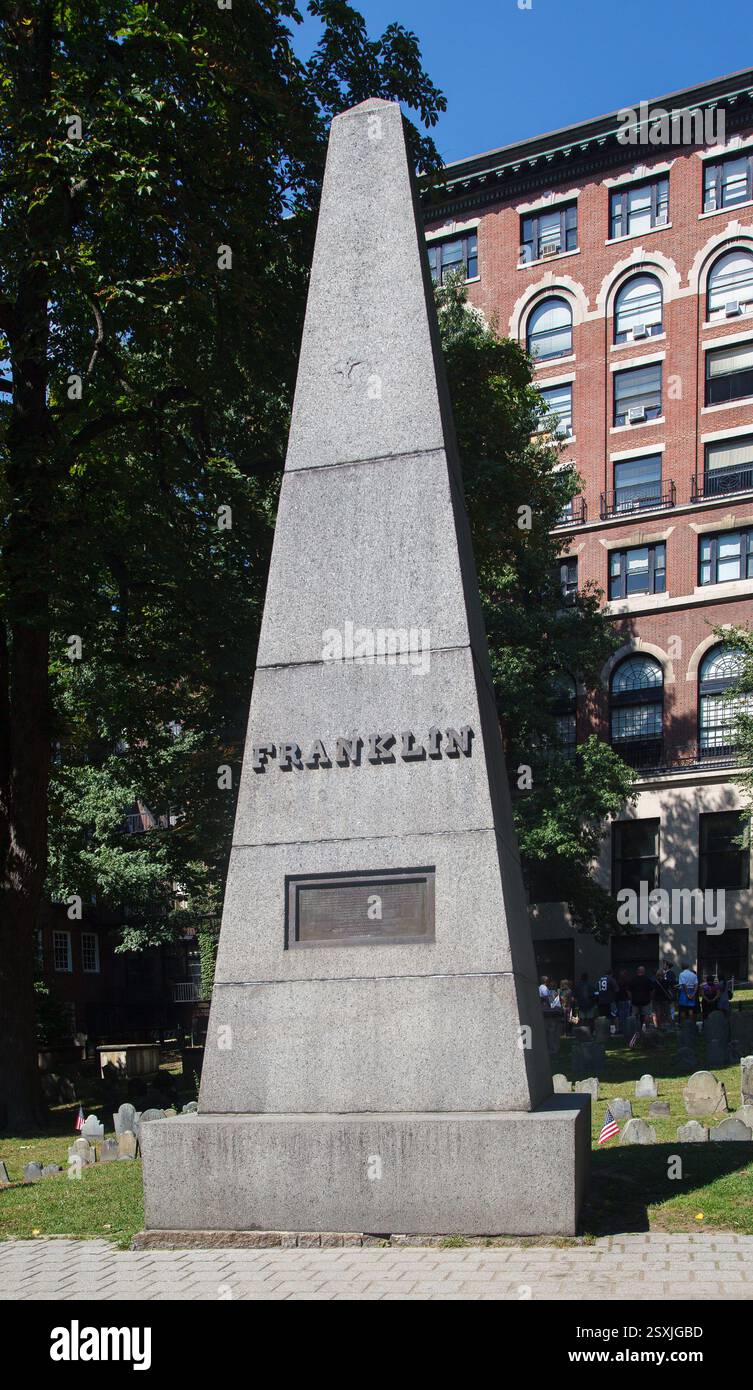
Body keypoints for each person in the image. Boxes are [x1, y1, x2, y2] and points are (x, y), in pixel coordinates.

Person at [629, 965, 653, 1030]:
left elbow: (629, 990)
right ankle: (647, 1028)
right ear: (644, 971)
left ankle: (634, 1029)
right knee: (646, 1014)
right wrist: (650, 998)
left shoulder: (633, 980)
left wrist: (631, 998)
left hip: (635, 1001)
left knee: (634, 1015)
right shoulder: (647, 979)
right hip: (646, 1000)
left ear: (637, 971)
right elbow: (651, 990)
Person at [652, 963, 675, 1030]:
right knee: (668, 1013)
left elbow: (653, 991)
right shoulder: (666, 982)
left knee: (658, 1013)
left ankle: (659, 1026)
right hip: (665, 999)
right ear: (663, 974)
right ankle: (672, 1025)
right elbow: (669, 989)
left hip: (657, 999)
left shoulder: (655, 982)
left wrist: (652, 998)